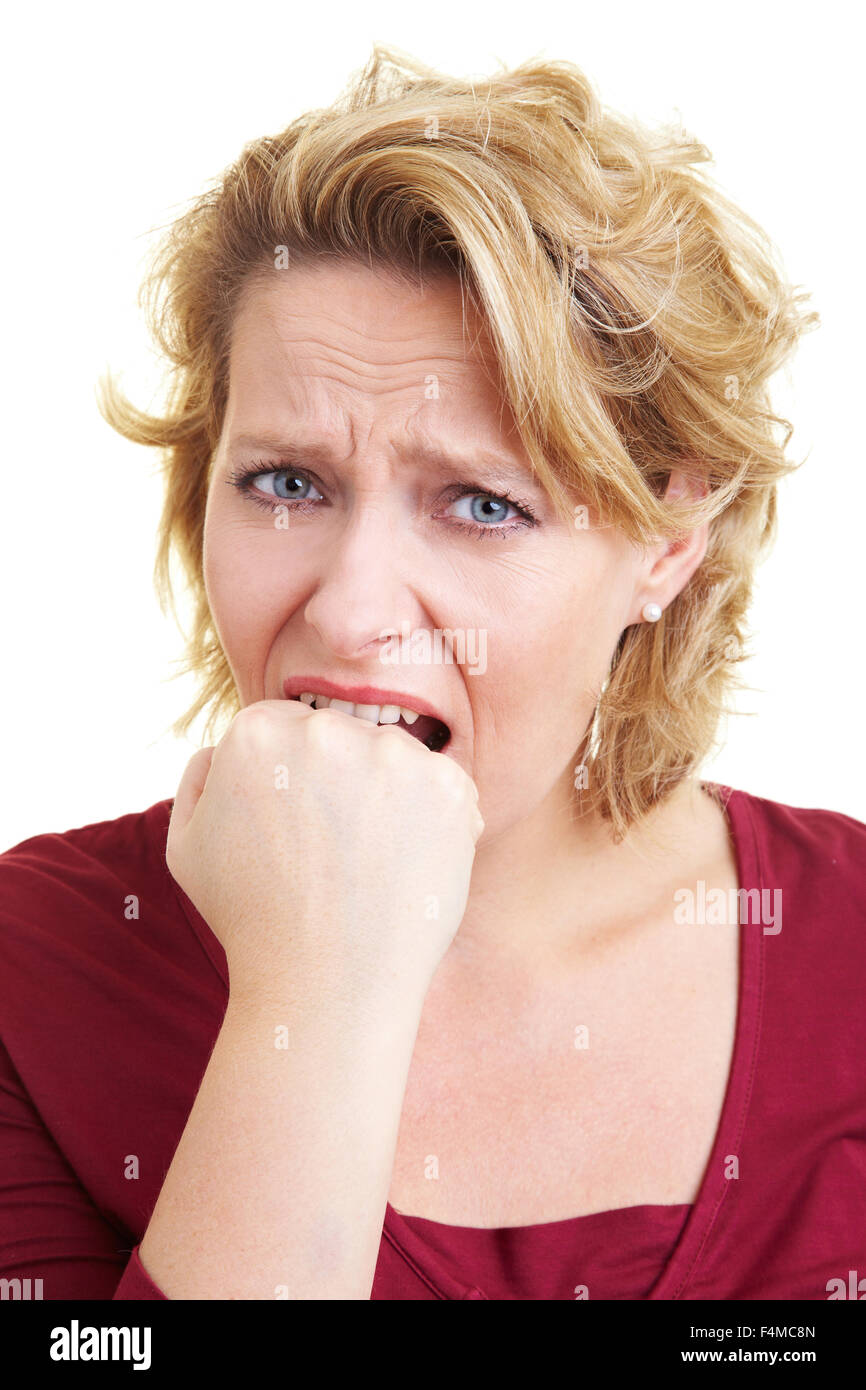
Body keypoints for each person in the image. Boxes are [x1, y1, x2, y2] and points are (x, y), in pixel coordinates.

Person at [1, 44, 863, 1303]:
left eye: (479, 503)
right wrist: (319, 992)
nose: (350, 612)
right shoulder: (38, 967)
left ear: (666, 546)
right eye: (285, 483)